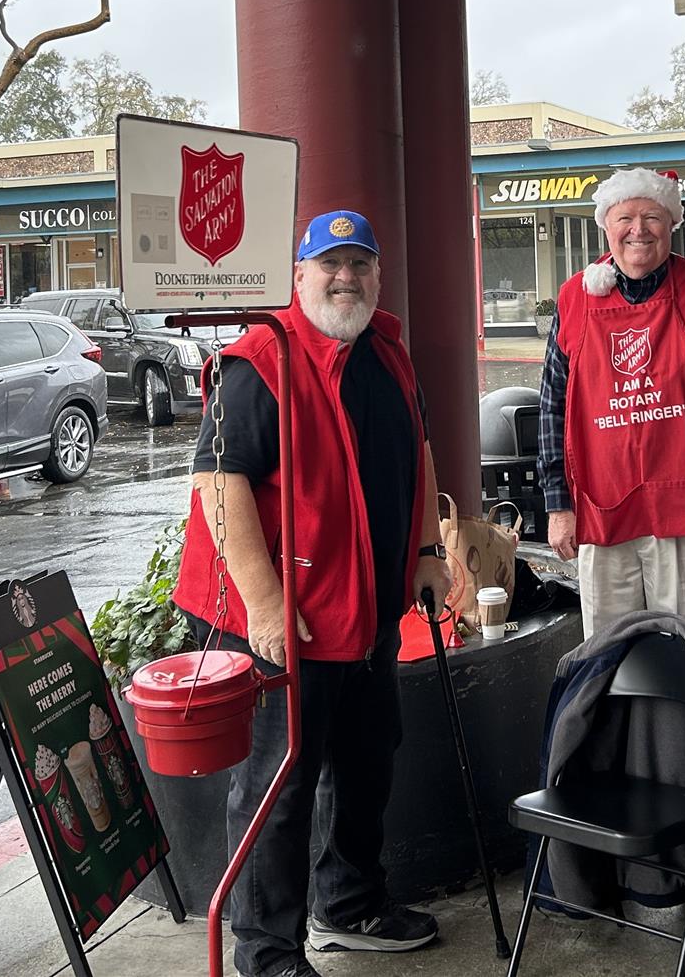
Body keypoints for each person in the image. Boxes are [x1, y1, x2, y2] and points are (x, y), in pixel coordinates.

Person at [172, 211, 450, 977]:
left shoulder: (387, 351)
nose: (346, 278)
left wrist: (428, 547)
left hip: (363, 612)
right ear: (299, 276)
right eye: (330, 264)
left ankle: (351, 903)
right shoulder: (259, 359)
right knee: (278, 789)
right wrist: (263, 604)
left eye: (360, 263)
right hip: (281, 621)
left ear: (377, 275)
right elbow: (216, 483)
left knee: (368, 759)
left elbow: (420, 452)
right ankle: (266, 954)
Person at [538, 167, 685, 639]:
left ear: (673, 224)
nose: (638, 230)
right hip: (601, 511)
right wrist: (559, 505)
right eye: (625, 218)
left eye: (653, 218)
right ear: (606, 226)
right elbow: (553, 408)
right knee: (609, 661)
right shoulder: (574, 299)